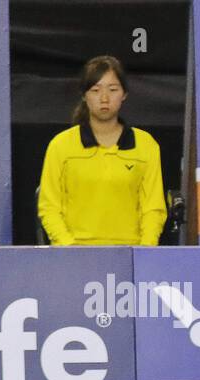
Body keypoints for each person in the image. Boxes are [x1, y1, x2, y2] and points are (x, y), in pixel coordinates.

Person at [37, 55, 166, 246]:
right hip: (75, 253)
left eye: (113, 89)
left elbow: (153, 208)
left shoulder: (146, 145)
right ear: (84, 95)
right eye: (95, 90)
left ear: (124, 94)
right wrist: (68, 247)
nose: (104, 98)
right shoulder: (61, 145)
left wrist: (145, 251)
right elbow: (49, 207)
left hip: (130, 253)